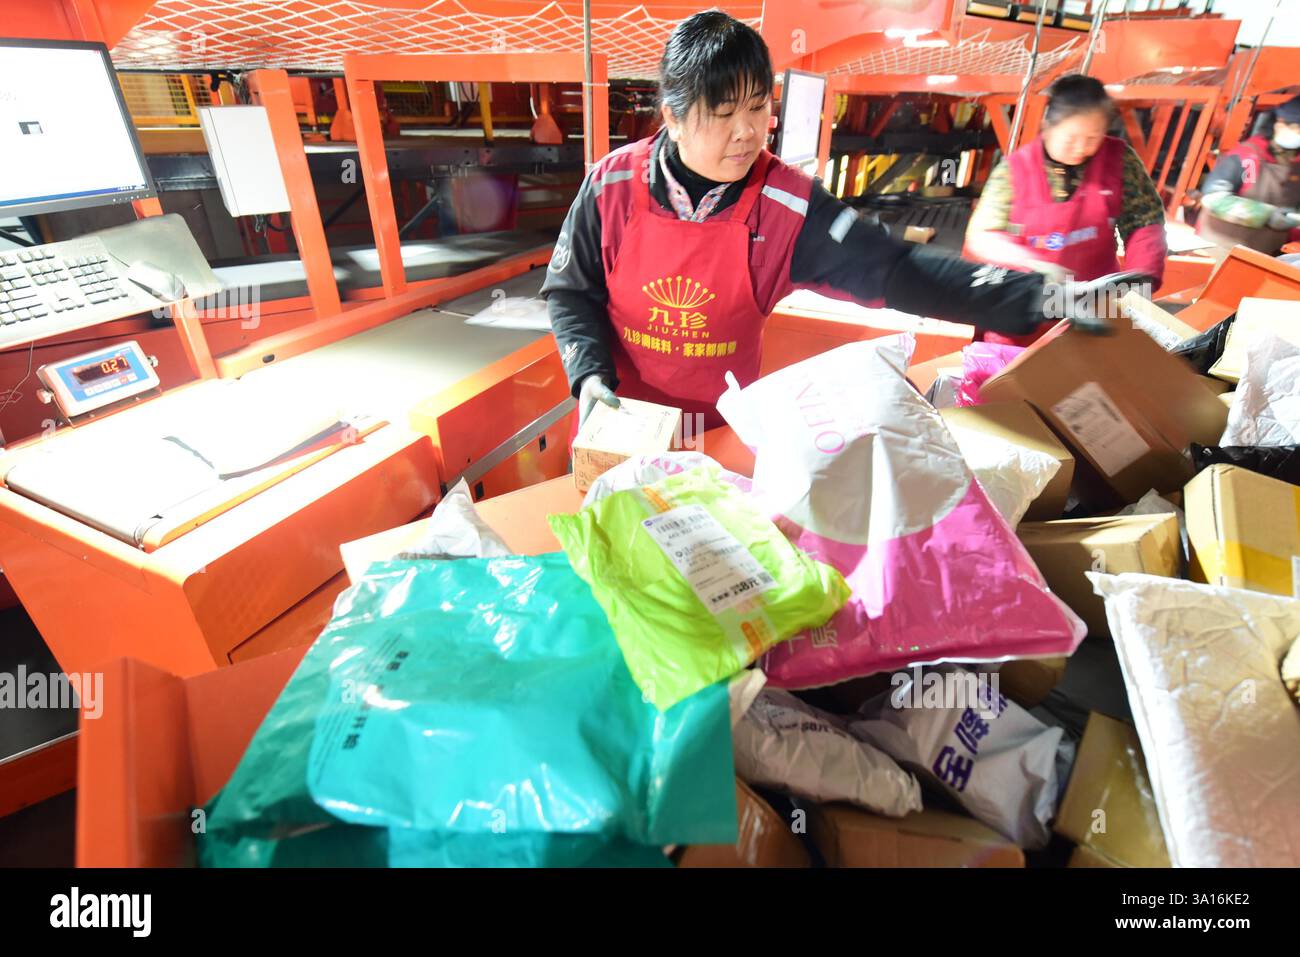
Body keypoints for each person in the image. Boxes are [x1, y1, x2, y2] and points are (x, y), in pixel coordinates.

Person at [543, 13, 1134, 429]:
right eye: (724, 114)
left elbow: (900, 272)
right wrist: (589, 378)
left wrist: (1048, 297)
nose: (748, 131)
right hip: (615, 424)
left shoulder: (787, 207)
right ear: (673, 116)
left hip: (718, 432)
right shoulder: (612, 185)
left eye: (758, 107)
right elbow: (572, 293)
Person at [963, 74, 1167, 347]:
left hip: (1096, 309)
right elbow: (982, 236)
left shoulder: (1120, 161)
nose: (1082, 148)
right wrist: (1033, 264)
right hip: (1026, 309)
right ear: (1048, 125)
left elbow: (1145, 222)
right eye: (1071, 138)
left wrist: (1139, 280)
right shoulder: (1013, 171)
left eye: (1092, 137)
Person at [1196, 95, 1300, 256]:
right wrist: (1266, 215)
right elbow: (1213, 198)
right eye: (1296, 127)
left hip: (1263, 255)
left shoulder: (1296, 167)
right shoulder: (1247, 155)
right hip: (1218, 248)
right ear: (1279, 123)